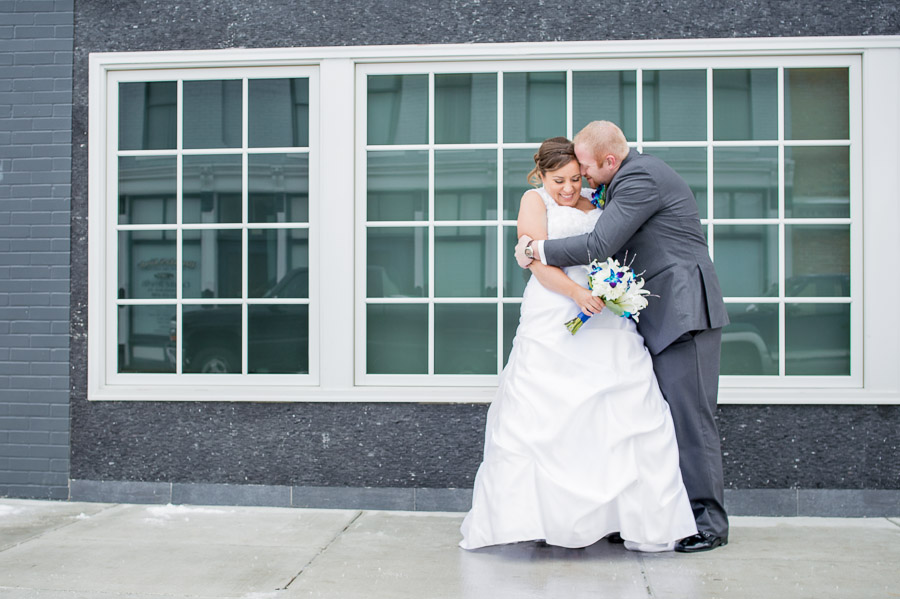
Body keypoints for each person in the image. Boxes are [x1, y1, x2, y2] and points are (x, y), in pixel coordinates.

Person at [459, 137, 697, 552]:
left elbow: (609, 250)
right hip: (555, 315)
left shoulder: (597, 197)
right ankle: (547, 520)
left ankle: (615, 519)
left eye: (575, 178)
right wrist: (575, 292)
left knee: (616, 416)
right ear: (541, 175)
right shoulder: (534, 201)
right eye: (558, 180)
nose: (569, 189)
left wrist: (612, 289)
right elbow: (535, 262)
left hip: (605, 319)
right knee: (549, 417)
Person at [514, 121, 730, 553]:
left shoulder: (639, 177)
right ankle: (655, 515)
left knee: (691, 420)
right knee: (663, 421)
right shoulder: (620, 181)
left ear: (609, 161)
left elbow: (598, 244)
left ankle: (709, 525)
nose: (583, 179)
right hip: (660, 315)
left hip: (683, 311)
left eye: (587, 170)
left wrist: (534, 251)